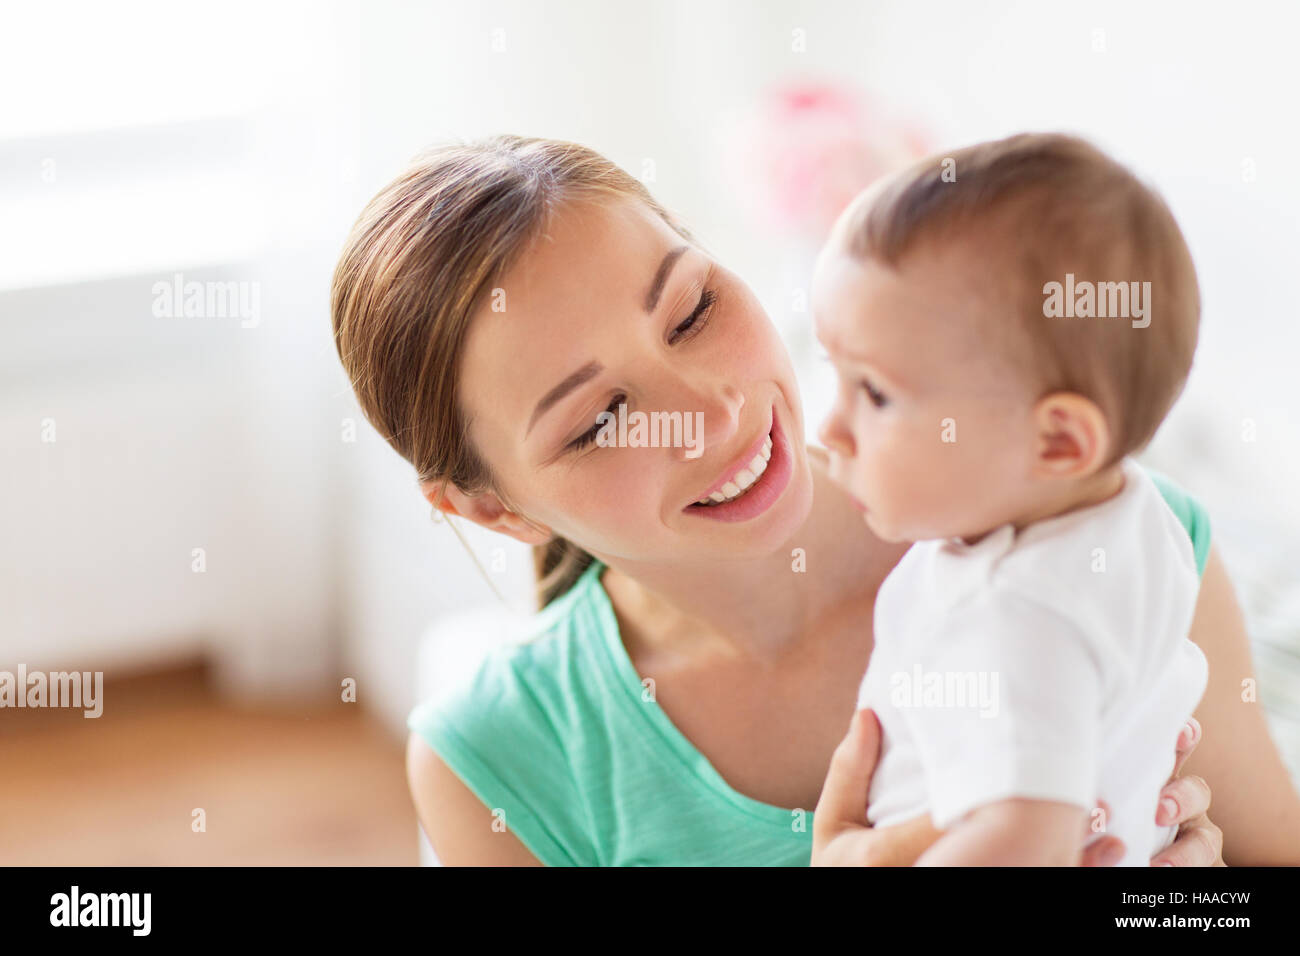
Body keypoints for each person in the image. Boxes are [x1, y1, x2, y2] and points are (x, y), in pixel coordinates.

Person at [329, 135, 1300, 865]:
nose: (709, 409)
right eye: (599, 419)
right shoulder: (496, 762)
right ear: (496, 510)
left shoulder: (1106, 537)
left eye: (693, 309)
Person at [812, 132, 1208, 864]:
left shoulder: (1012, 608)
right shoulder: (1134, 515)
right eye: (830, 371)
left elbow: (1019, 842)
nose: (830, 429)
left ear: (1058, 442)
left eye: (874, 392)